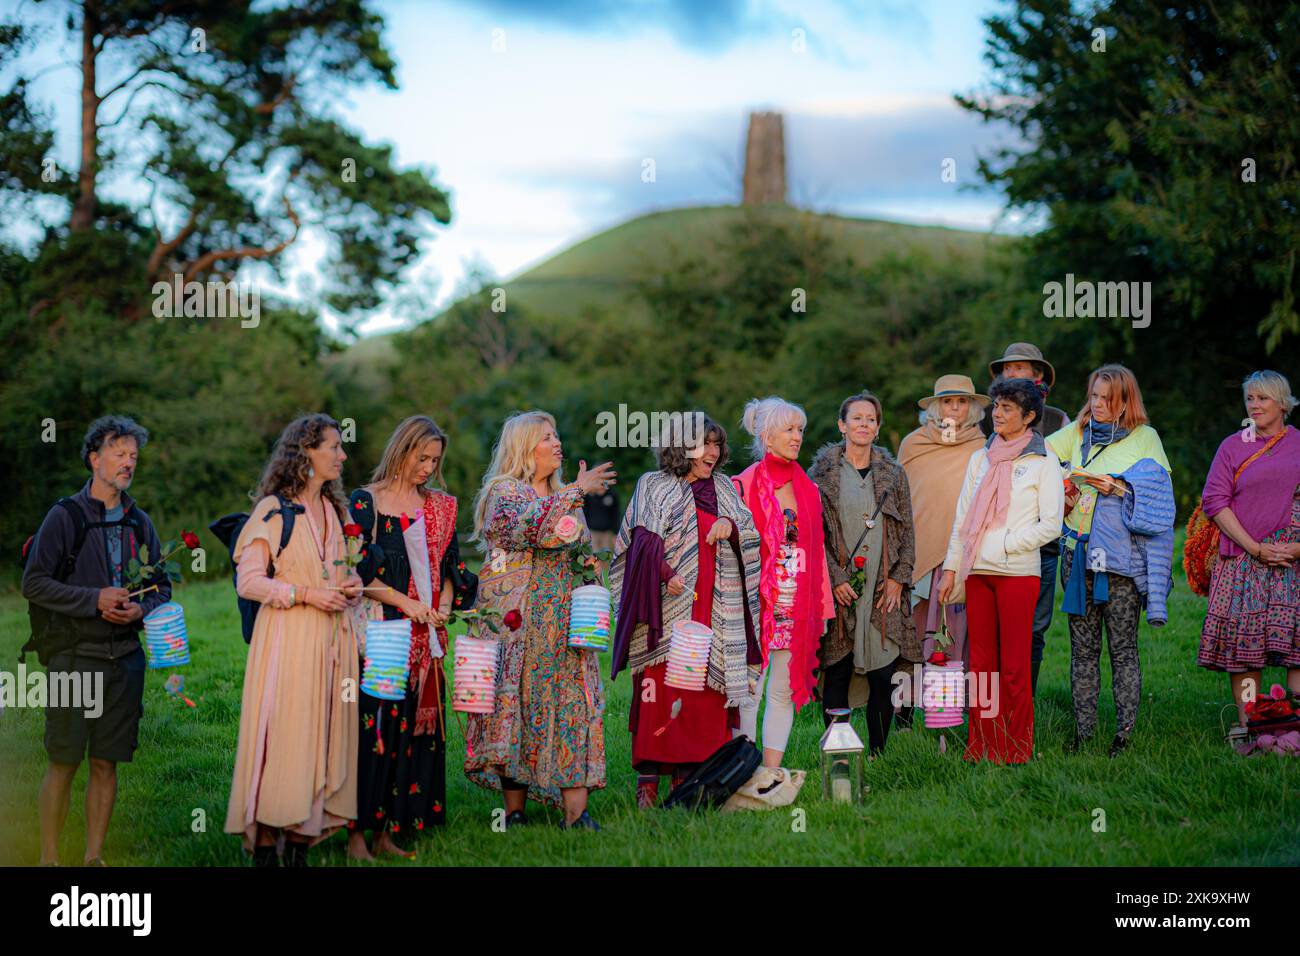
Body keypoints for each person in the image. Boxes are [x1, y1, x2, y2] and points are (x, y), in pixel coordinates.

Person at [22, 415, 172, 866]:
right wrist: (95, 599)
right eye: (119, 454)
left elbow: (162, 586)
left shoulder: (138, 521)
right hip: (73, 659)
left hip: (124, 659)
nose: (128, 463)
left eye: (133, 457)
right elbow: (35, 583)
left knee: (106, 763)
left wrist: (139, 610)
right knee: (64, 762)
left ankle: (93, 858)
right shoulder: (64, 516)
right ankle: (49, 858)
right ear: (94, 458)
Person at [464, 410, 616, 829]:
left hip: (567, 622)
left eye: (557, 435)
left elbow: (578, 548)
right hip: (521, 625)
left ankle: (577, 814)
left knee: (573, 706)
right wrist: (575, 491)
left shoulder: (562, 495)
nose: (557, 443)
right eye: (547, 437)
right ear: (525, 447)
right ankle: (515, 812)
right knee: (521, 706)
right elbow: (529, 529)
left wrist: (594, 576)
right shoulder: (505, 493)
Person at [224, 414, 363, 866]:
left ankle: (301, 843)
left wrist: (354, 584)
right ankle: (266, 846)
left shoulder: (336, 512)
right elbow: (249, 582)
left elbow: (344, 571)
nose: (342, 455)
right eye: (334, 447)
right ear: (306, 454)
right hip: (288, 640)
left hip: (335, 643)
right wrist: (304, 595)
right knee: (285, 738)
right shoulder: (272, 511)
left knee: (324, 736)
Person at [609, 413, 761, 808]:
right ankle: (648, 787)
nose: (712, 452)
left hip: (715, 612)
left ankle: (691, 784)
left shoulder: (725, 488)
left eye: (716, 445)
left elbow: (749, 532)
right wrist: (664, 572)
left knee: (703, 699)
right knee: (661, 694)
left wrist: (729, 524)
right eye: (704, 444)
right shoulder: (654, 485)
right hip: (669, 612)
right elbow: (639, 542)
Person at [346, 416, 474, 859]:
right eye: (421, 458)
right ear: (400, 450)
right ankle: (357, 836)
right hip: (380, 632)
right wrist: (405, 602)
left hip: (427, 637)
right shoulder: (366, 503)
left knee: (410, 736)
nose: (427, 467)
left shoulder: (439, 506)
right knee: (375, 732)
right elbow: (357, 572)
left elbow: (452, 565)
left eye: (434, 460)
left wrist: (444, 601)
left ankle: (390, 831)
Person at [1047, 365, 1175, 757]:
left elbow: (1159, 494)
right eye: (1093, 396)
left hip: (1120, 561)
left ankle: (1124, 734)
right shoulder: (1077, 434)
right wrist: (1066, 480)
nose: (1097, 405)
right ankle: (1083, 734)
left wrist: (1118, 487)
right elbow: (1038, 458)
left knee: (1122, 648)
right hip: (1078, 554)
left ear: (1125, 401)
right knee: (1082, 649)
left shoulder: (1145, 438)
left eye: (1107, 398)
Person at [938, 379, 1064, 764]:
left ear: (1028, 417)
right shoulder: (981, 458)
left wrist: (1008, 543)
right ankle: (982, 745)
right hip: (977, 573)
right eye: (996, 405)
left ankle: (1016, 747)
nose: (998, 413)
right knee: (982, 667)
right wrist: (951, 568)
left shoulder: (1043, 461)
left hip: (1017, 575)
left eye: (1008, 408)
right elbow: (963, 518)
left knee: (1013, 667)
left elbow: (1052, 524)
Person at [809, 391, 919, 756]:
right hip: (840, 587)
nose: (863, 425)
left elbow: (907, 533)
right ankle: (838, 752)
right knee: (838, 670)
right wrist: (835, 578)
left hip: (881, 587)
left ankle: (878, 753)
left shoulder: (894, 475)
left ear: (877, 427)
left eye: (871, 419)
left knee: (883, 673)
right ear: (842, 425)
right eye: (856, 418)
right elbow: (814, 535)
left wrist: (899, 578)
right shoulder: (822, 476)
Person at [733, 397, 834, 769]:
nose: (797, 437)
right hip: (754, 604)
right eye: (789, 429)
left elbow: (817, 552)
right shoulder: (741, 486)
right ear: (766, 435)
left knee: (781, 691)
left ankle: (770, 774)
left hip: (797, 605)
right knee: (748, 693)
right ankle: (741, 771)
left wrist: (821, 606)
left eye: (800, 430)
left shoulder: (808, 489)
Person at [1196, 370, 1300, 726]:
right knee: (1242, 653)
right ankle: (1249, 726)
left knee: (1298, 651)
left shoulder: (1299, 443)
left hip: (1294, 562)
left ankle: (1295, 726)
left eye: (1263, 398)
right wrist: (1255, 548)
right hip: (1242, 559)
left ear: (1283, 403)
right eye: (1250, 398)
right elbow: (1214, 501)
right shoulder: (1234, 445)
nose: (1254, 405)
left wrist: (1296, 549)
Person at [897, 375, 989, 719]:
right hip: (919, 555)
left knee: (955, 636)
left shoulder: (982, 446)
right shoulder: (913, 445)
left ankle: (946, 713)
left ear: (973, 408)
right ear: (936, 406)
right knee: (915, 634)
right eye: (948, 401)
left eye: (962, 401)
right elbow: (902, 499)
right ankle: (906, 711)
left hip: (963, 558)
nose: (955, 407)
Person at [981, 343, 1070, 695]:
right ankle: (994, 705)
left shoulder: (1058, 419)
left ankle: (1023, 703)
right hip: (993, 541)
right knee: (992, 628)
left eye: (1022, 367)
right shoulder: (990, 417)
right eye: (1008, 368)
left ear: (1038, 375)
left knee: (1033, 627)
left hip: (1042, 542)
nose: (1014, 373)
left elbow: (1067, 470)